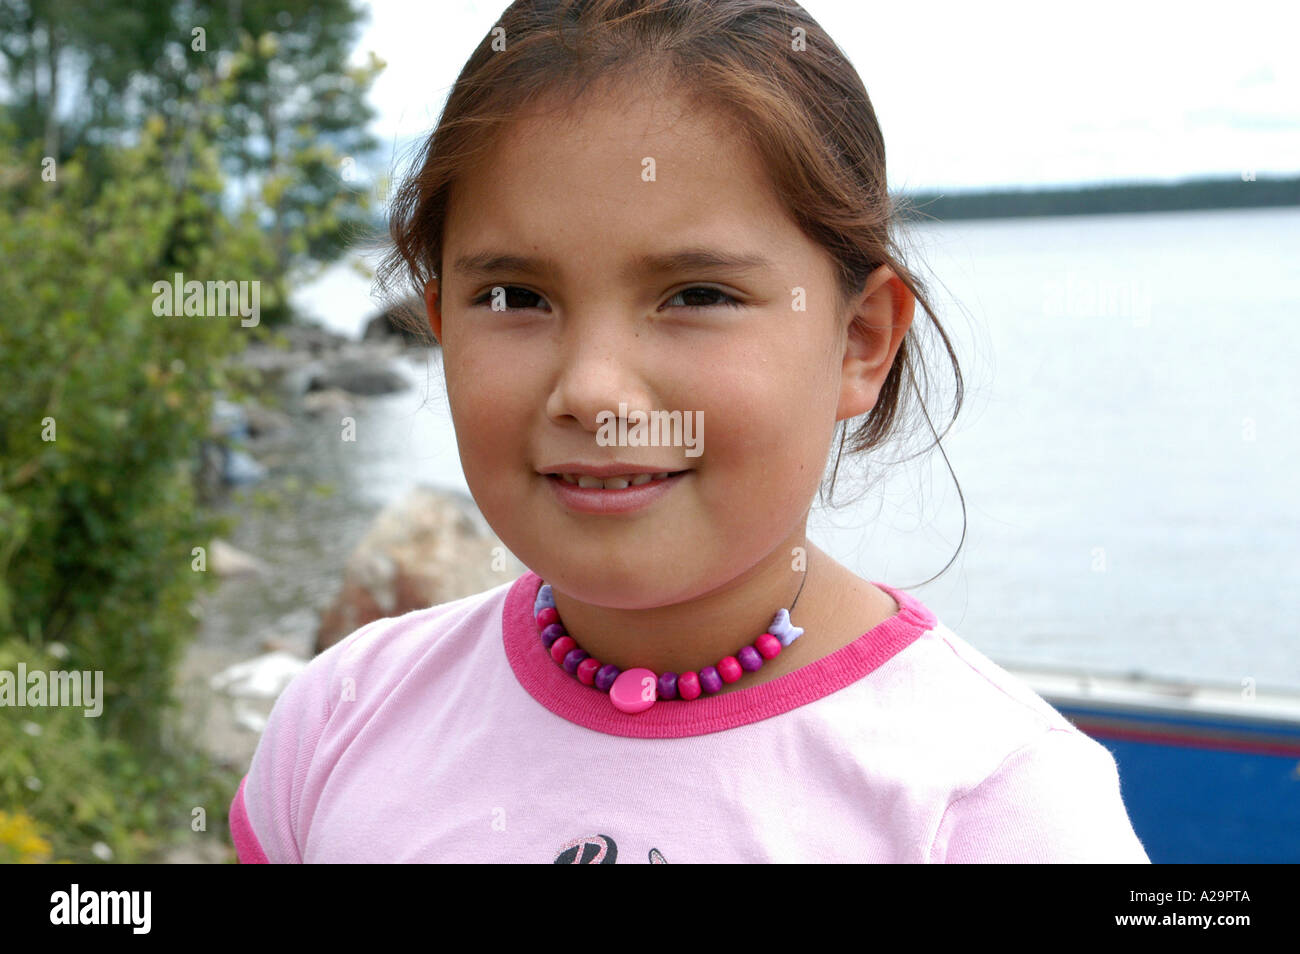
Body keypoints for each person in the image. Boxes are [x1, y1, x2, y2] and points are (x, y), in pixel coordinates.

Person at [229, 0, 1150, 863]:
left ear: (860, 341)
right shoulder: (341, 720)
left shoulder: (996, 809)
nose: (592, 390)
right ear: (438, 322)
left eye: (697, 295)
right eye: (515, 297)